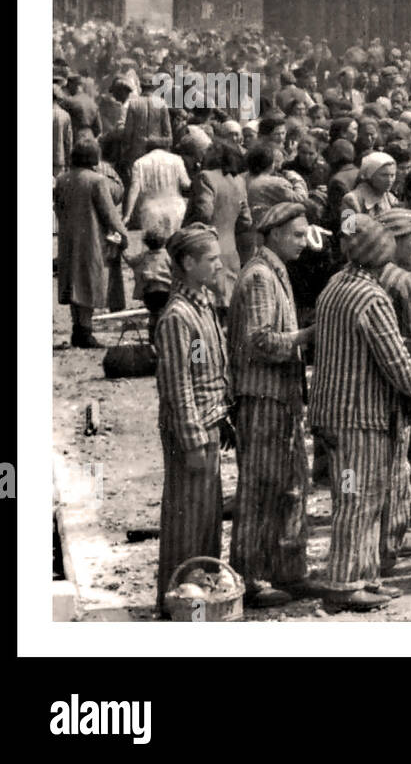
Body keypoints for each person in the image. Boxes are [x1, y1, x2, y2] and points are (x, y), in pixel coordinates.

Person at [308, 214, 411, 613]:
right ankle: (345, 582)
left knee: (355, 496)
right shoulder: (371, 297)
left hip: (331, 411)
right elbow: (395, 360)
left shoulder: (334, 286)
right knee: (358, 499)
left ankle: (364, 577)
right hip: (360, 417)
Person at [227, 203, 318, 607]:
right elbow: (260, 340)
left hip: (280, 398)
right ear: (276, 233)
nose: (304, 241)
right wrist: (306, 337)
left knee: (289, 486)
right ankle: (250, 577)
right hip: (262, 399)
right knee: (259, 491)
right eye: (298, 234)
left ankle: (286, 568)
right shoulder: (261, 277)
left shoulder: (274, 270)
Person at [153, 225, 232, 617]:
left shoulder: (202, 304)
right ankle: (176, 601)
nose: (219, 265)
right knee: (186, 520)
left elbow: (207, 367)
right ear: (188, 263)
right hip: (192, 433)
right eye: (212, 260)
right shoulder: (177, 317)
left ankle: (198, 594)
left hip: (209, 424)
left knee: (206, 519)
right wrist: (194, 441)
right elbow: (178, 386)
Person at [375, 207, 411, 577]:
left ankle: (383, 542)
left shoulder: (364, 275)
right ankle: (390, 544)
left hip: (372, 385)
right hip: (401, 382)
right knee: (397, 466)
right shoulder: (405, 280)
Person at [54, 138, 130, 348]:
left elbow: (58, 207)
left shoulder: (62, 179)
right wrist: (123, 235)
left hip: (67, 238)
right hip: (90, 238)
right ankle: (85, 332)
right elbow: (109, 213)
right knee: (87, 282)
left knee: (72, 282)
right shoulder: (97, 181)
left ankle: (77, 329)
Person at [185, 140, 253, 315]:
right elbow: (246, 221)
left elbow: (204, 213)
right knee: (227, 306)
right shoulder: (239, 181)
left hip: (206, 251)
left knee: (203, 307)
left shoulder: (205, 177)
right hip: (231, 252)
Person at [124, 134, 190, 235]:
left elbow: (134, 190)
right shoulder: (176, 159)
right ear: (166, 148)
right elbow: (186, 184)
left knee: (153, 246)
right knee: (176, 244)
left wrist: (127, 215)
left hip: (151, 211)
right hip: (176, 208)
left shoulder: (140, 163)